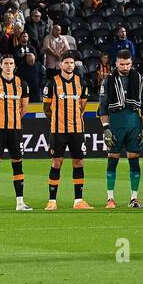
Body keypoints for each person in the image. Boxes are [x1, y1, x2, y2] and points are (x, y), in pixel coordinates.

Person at [0, 55, 31, 212]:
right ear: (1, 66)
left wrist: (14, 120)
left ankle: (20, 203)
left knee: (18, 164)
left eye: (11, 63)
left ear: (14, 65)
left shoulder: (22, 84)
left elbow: (24, 108)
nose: (8, 66)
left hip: (16, 130)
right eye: (5, 63)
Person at [98, 51, 143, 208]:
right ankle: (110, 198)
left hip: (134, 122)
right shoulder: (108, 80)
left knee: (134, 160)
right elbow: (102, 107)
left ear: (131, 63)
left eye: (128, 64)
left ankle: (134, 198)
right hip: (116, 123)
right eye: (122, 64)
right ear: (116, 63)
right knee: (112, 160)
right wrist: (106, 128)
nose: (125, 67)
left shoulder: (139, 79)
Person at [43, 54, 91, 211]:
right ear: (60, 64)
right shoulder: (52, 83)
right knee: (57, 162)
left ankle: (78, 201)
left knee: (78, 162)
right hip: (58, 130)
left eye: (72, 62)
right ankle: (52, 201)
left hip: (77, 130)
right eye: (66, 62)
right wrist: (57, 120)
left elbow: (82, 106)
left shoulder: (81, 83)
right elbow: (46, 108)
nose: (70, 65)